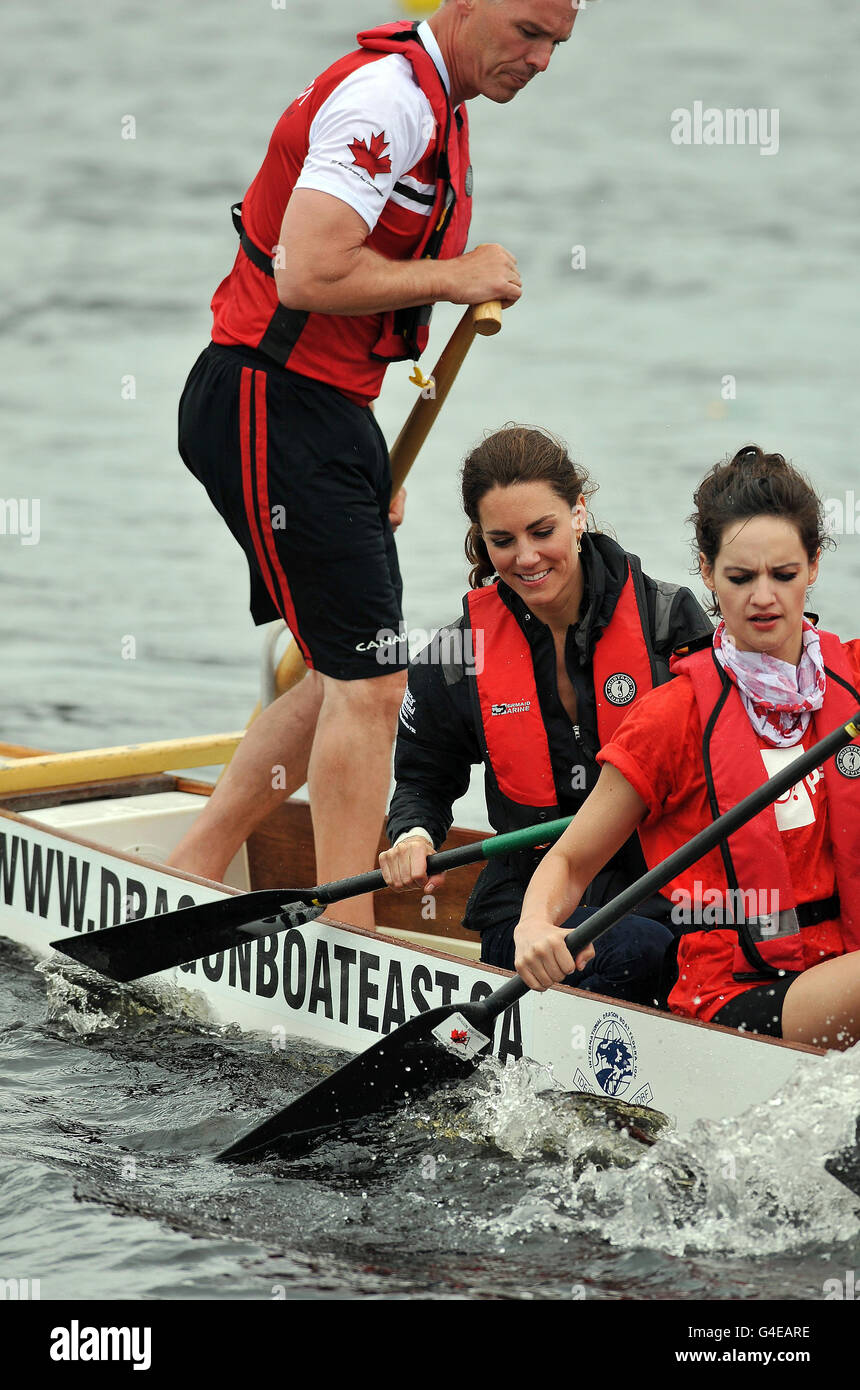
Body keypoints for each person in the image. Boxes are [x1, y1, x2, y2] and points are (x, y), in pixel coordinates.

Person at [169, 1, 580, 926]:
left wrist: (368, 471)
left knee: (339, 668)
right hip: (265, 399)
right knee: (372, 680)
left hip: (327, 413)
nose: (543, 59)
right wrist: (455, 274)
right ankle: (347, 930)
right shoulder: (388, 99)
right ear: (463, 5)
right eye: (527, 31)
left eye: (557, 42)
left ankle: (193, 867)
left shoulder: (443, 103)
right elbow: (306, 273)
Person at [513, 444, 860, 1048]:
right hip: (735, 1000)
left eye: (783, 575)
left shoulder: (853, 680)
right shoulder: (672, 717)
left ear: (814, 566)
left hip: (842, 970)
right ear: (706, 571)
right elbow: (568, 863)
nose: (764, 598)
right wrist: (533, 927)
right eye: (740, 577)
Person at [379, 425, 714, 1006]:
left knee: (658, 946)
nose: (527, 558)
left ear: (580, 513)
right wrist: (412, 833)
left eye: (543, 531)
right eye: (503, 540)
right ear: (481, 543)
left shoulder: (671, 624)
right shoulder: (456, 659)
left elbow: (725, 758)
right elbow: (422, 779)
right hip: (525, 907)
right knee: (633, 950)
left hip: (664, 883)